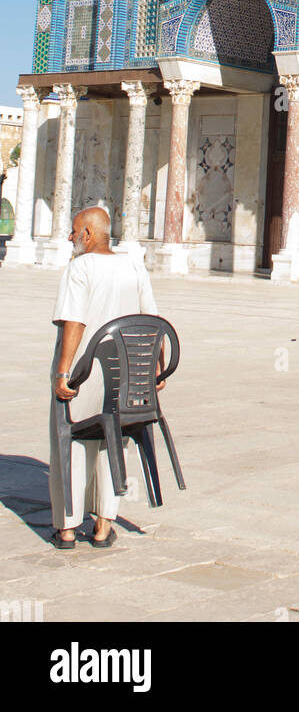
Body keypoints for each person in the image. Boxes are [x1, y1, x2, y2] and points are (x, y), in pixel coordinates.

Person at [49, 205, 160, 549]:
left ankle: (67, 528)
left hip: (85, 372)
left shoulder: (80, 267)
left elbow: (74, 322)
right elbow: (150, 320)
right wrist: (154, 370)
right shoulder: (133, 265)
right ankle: (102, 526)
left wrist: (64, 373)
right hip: (124, 372)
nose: (70, 237)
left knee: (70, 441)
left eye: (73, 231)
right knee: (115, 440)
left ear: (88, 234)